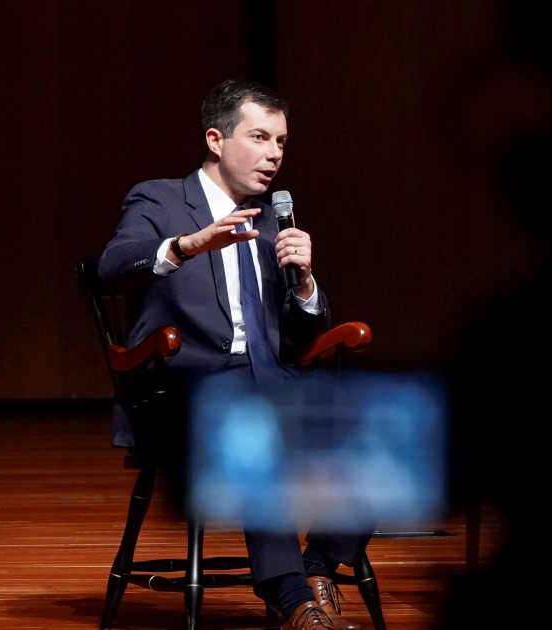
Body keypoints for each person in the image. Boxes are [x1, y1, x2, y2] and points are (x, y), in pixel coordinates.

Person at [98, 78, 369, 630]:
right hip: (183, 389)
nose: (274, 154)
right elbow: (112, 267)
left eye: (282, 142)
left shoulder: (272, 218)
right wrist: (186, 245)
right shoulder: (160, 198)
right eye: (261, 137)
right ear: (217, 139)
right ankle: (292, 598)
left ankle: (315, 566)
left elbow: (298, 329)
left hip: (265, 378)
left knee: (389, 420)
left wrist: (305, 284)